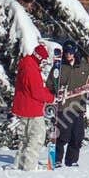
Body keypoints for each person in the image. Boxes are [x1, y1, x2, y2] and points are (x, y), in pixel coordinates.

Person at [12, 42, 57, 170]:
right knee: (36, 138)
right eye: (43, 60)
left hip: (24, 107)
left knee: (25, 139)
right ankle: (29, 167)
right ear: (39, 57)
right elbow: (37, 91)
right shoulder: (31, 68)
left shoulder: (26, 64)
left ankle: (19, 164)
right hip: (32, 109)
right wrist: (51, 98)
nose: (43, 64)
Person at [51, 44, 89, 168]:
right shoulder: (59, 67)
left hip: (79, 107)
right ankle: (57, 159)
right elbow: (50, 84)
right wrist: (55, 91)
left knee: (77, 137)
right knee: (63, 136)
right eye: (66, 53)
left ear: (75, 52)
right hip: (64, 107)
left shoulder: (84, 67)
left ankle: (72, 161)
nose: (68, 55)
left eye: (70, 53)